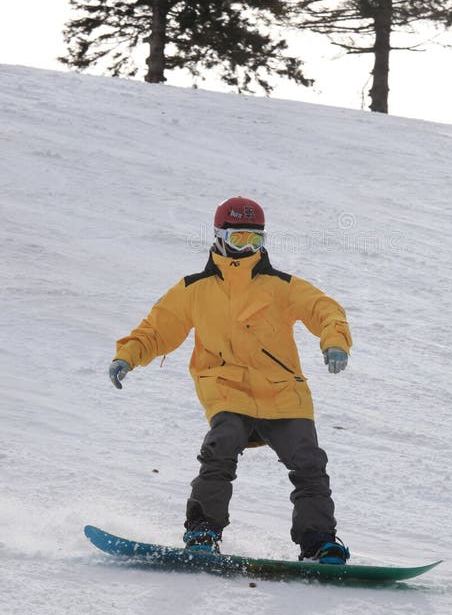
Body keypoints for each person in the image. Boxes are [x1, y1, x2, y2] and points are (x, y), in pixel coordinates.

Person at [108, 196, 353, 564]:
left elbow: (324, 309)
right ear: (220, 236)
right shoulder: (194, 290)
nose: (247, 248)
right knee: (220, 450)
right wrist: (127, 355)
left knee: (308, 463)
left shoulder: (280, 286)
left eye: (255, 241)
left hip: (283, 393)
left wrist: (334, 341)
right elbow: (157, 331)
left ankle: (319, 542)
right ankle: (202, 533)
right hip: (228, 391)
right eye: (239, 239)